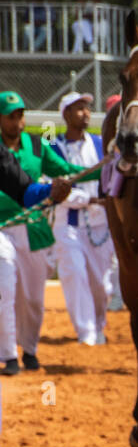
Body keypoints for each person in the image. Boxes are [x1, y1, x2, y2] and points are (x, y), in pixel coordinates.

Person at [0, 91, 89, 372]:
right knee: (4, 287)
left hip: (31, 228)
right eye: (10, 116)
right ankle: (8, 355)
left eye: (20, 115)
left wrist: (51, 190)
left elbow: (24, 189)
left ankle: (28, 349)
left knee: (33, 300)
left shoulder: (33, 147)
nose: (17, 121)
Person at [50, 92, 117, 346]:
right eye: (79, 108)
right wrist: (86, 200)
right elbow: (53, 186)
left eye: (87, 108)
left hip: (100, 224)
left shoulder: (102, 145)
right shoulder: (54, 149)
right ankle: (86, 332)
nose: (86, 113)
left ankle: (98, 325)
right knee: (75, 275)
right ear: (66, 114)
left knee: (101, 284)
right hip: (68, 224)